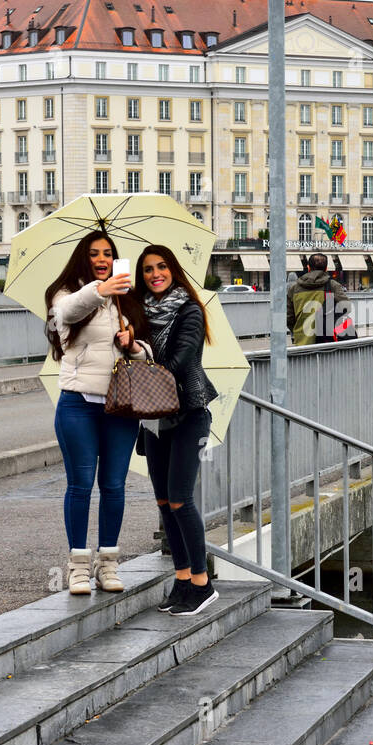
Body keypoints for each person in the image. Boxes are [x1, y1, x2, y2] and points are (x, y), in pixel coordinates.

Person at [45, 231, 144, 596]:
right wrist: (100, 290)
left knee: (115, 485)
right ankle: (78, 567)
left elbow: (145, 351)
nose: (102, 259)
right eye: (94, 253)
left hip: (120, 405)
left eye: (108, 254)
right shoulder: (66, 293)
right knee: (81, 485)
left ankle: (108, 565)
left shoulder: (127, 299)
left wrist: (132, 345)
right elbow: (65, 314)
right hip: (77, 405)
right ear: (82, 258)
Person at [135, 244, 220, 617]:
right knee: (162, 502)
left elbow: (176, 362)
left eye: (162, 267)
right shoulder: (136, 313)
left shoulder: (189, 311)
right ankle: (182, 579)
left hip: (188, 411)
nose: (155, 274)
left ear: (173, 270)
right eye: (148, 269)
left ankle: (203, 584)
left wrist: (138, 351)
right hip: (154, 417)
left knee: (181, 499)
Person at [286, 253, 350, 345]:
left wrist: (297, 330)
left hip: (302, 341)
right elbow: (346, 306)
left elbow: (289, 318)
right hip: (327, 341)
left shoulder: (294, 289)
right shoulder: (333, 285)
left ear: (308, 268)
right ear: (326, 269)